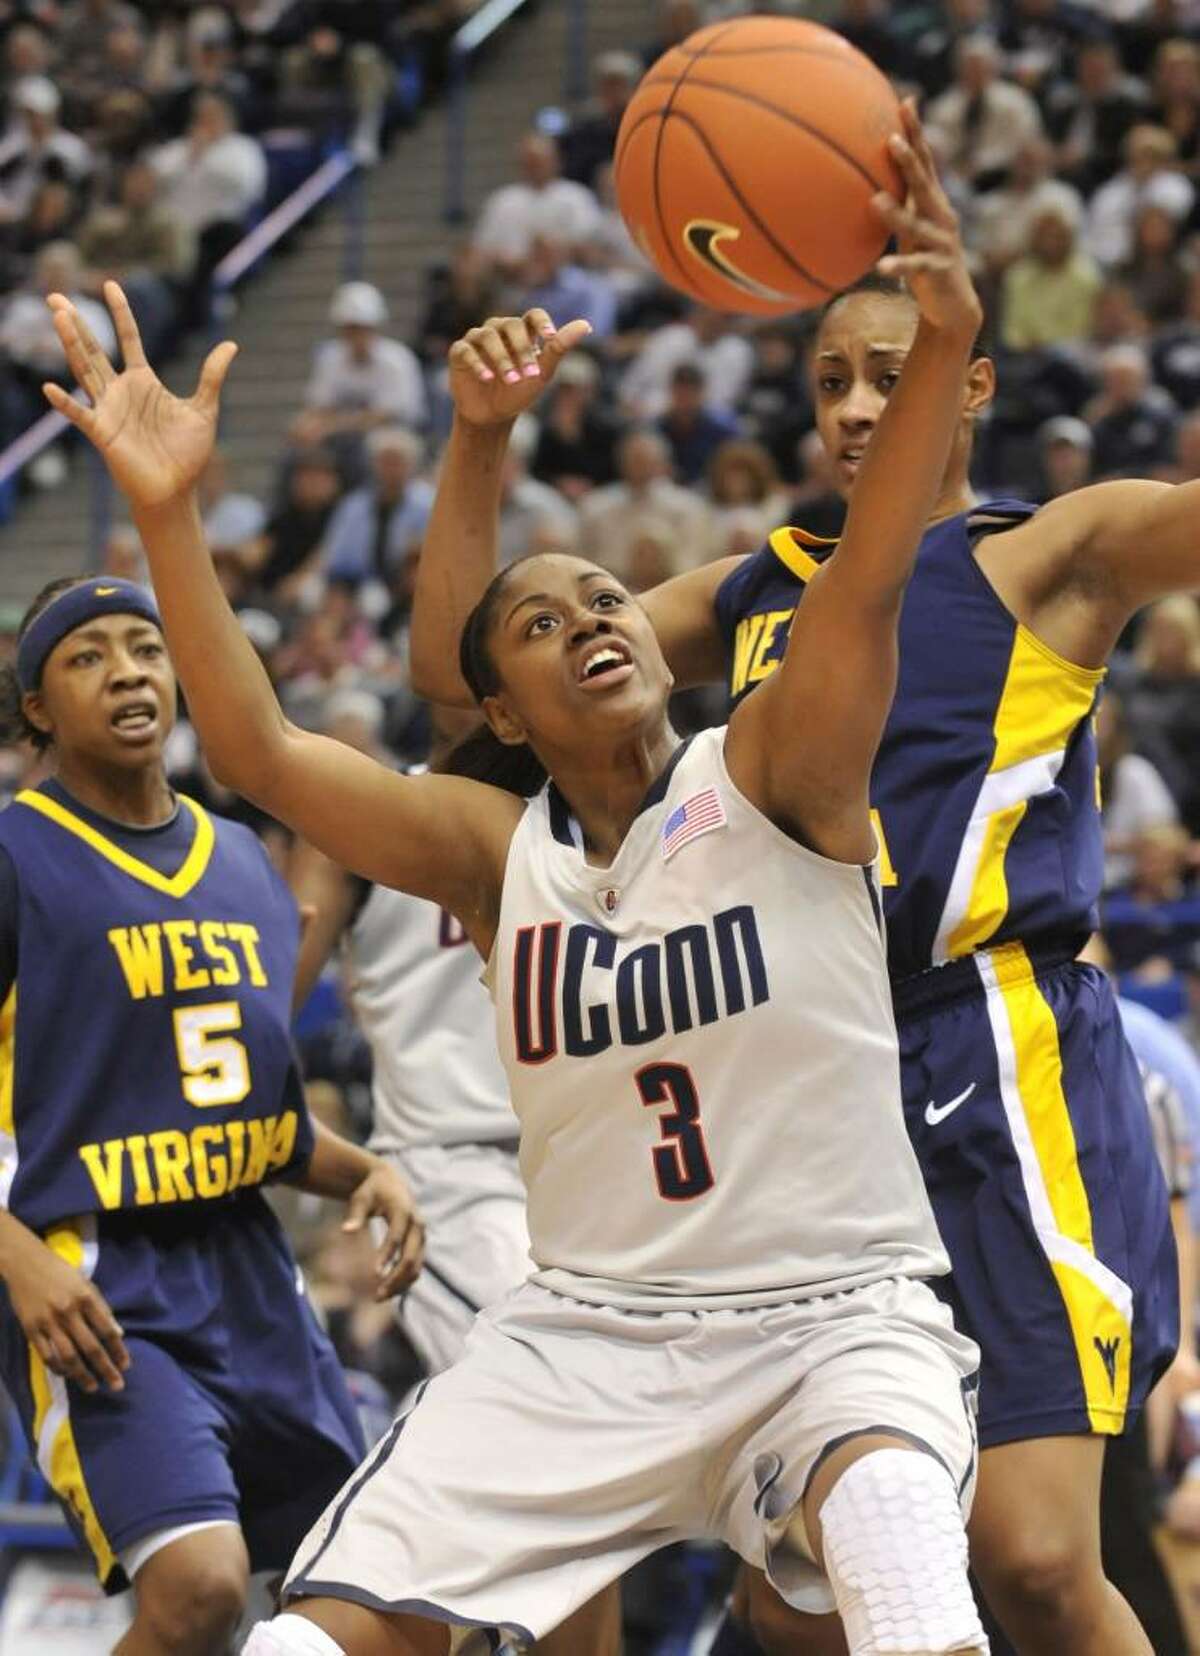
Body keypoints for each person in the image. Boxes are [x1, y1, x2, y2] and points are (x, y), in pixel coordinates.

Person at [46, 106, 989, 1656]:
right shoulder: (494, 852)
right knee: (302, 1640)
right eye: (544, 624)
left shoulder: (775, 768)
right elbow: (266, 753)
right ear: (500, 712)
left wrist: (941, 349)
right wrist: (167, 513)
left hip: (831, 1315)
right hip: (588, 1334)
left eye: (608, 596)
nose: (596, 619)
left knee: (896, 1560)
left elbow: (872, 571)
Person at [409, 142, 1185, 1656]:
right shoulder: (762, 585)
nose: (846, 410)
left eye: (887, 375)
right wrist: (480, 446)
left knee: (1030, 1561)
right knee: (800, 1603)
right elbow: (465, 690)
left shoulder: (1054, 553)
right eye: (827, 380)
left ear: (969, 382)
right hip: (811, 1089)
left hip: (996, 1054)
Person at [0, 573, 423, 1656]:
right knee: (198, 1592)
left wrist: (360, 1169)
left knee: (390, 1595)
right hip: (90, 1273)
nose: (128, 672)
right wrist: (20, 1261)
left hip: (248, 1272)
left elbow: (249, 1116)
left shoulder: (241, 859)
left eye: (143, 646)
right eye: (86, 656)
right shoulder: (13, 856)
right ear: (37, 708)